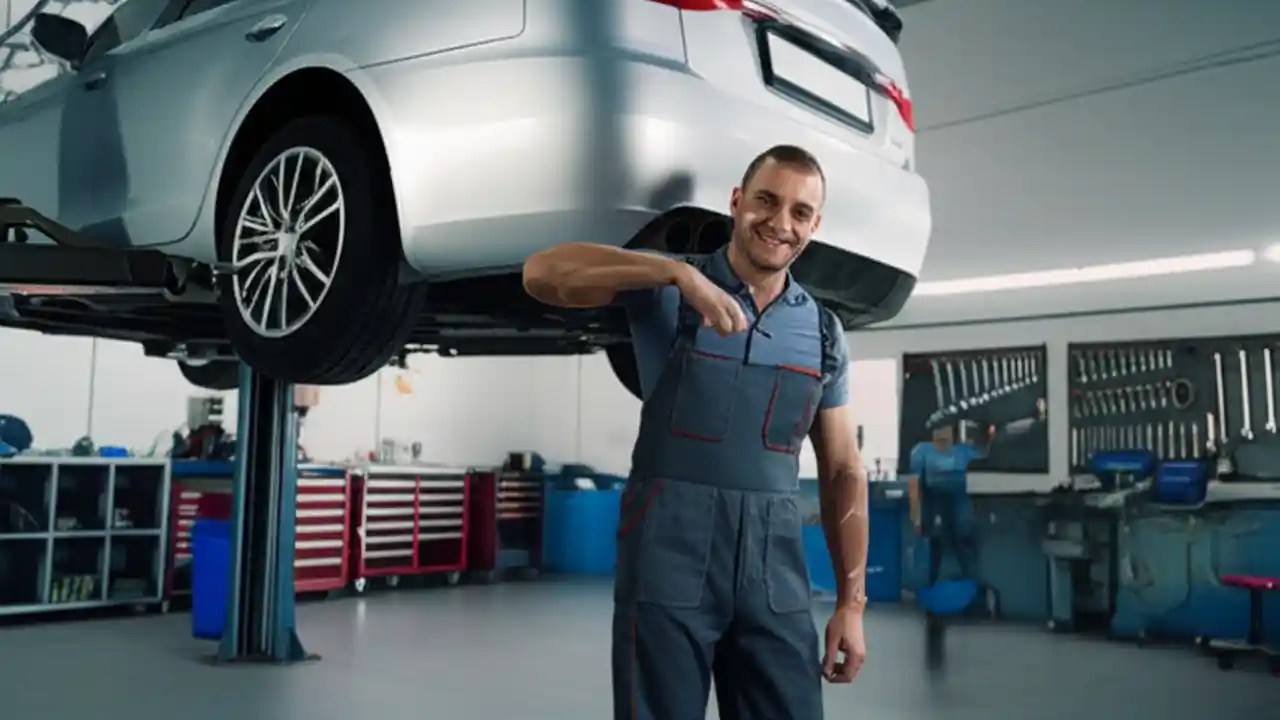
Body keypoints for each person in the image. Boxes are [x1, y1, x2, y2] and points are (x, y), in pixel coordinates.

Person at [522, 145, 869, 720]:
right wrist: (673, 270)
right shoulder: (666, 294)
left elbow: (842, 470)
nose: (780, 223)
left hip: (775, 570)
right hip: (668, 557)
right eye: (766, 200)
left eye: (800, 212)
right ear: (736, 202)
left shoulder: (824, 331)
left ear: (815, 226)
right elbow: (542, 273)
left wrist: (852, 605)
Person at [905, 421, 994, 587]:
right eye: (938, 428)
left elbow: (987, 454)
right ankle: (931, 585)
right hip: (934, 498)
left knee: (964, 534)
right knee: (934, 540)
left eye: (945, 427)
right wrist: (915, 516)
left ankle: (970, 583)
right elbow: (913, 485)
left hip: (959, 497)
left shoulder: (964, 450)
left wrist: (990, 435)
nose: (941, 432)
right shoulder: (922, 451)